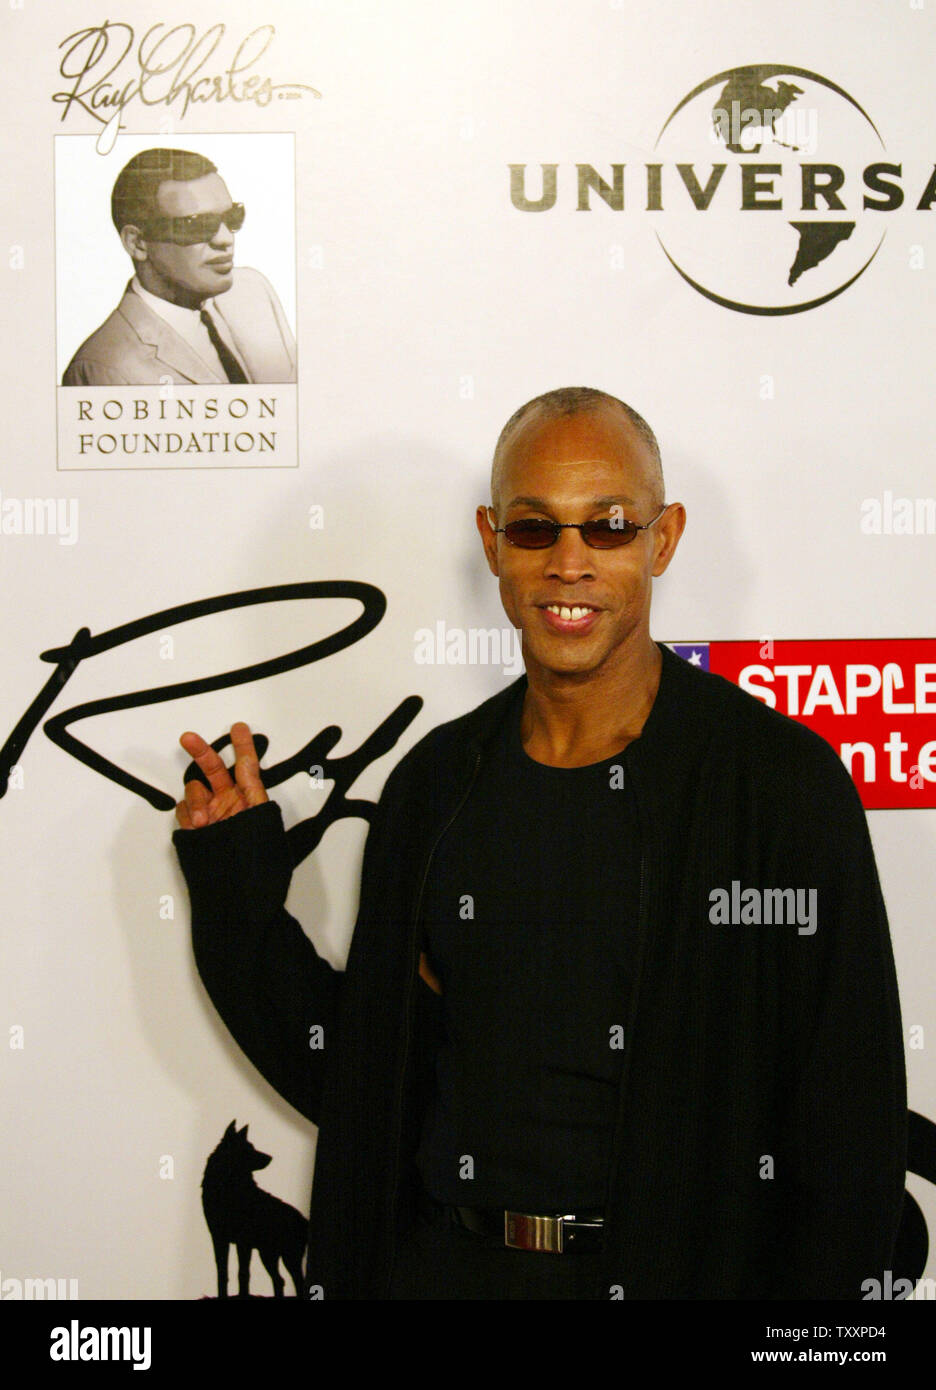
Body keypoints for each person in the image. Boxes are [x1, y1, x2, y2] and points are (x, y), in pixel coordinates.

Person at [172, 386, 907, 1299]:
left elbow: (848, 1127)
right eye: (534, 530)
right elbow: (366, 1081)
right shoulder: (436, 787)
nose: (570, 563)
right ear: (492, 544)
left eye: (607, 527)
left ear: (662, 540)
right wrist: (237, 887)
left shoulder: (777, 788)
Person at [62, 148, 296, 386]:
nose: (225, 239)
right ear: (137, 243)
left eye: (232, 217)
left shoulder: (254, 290)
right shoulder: (103, 367)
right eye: (198, 225)